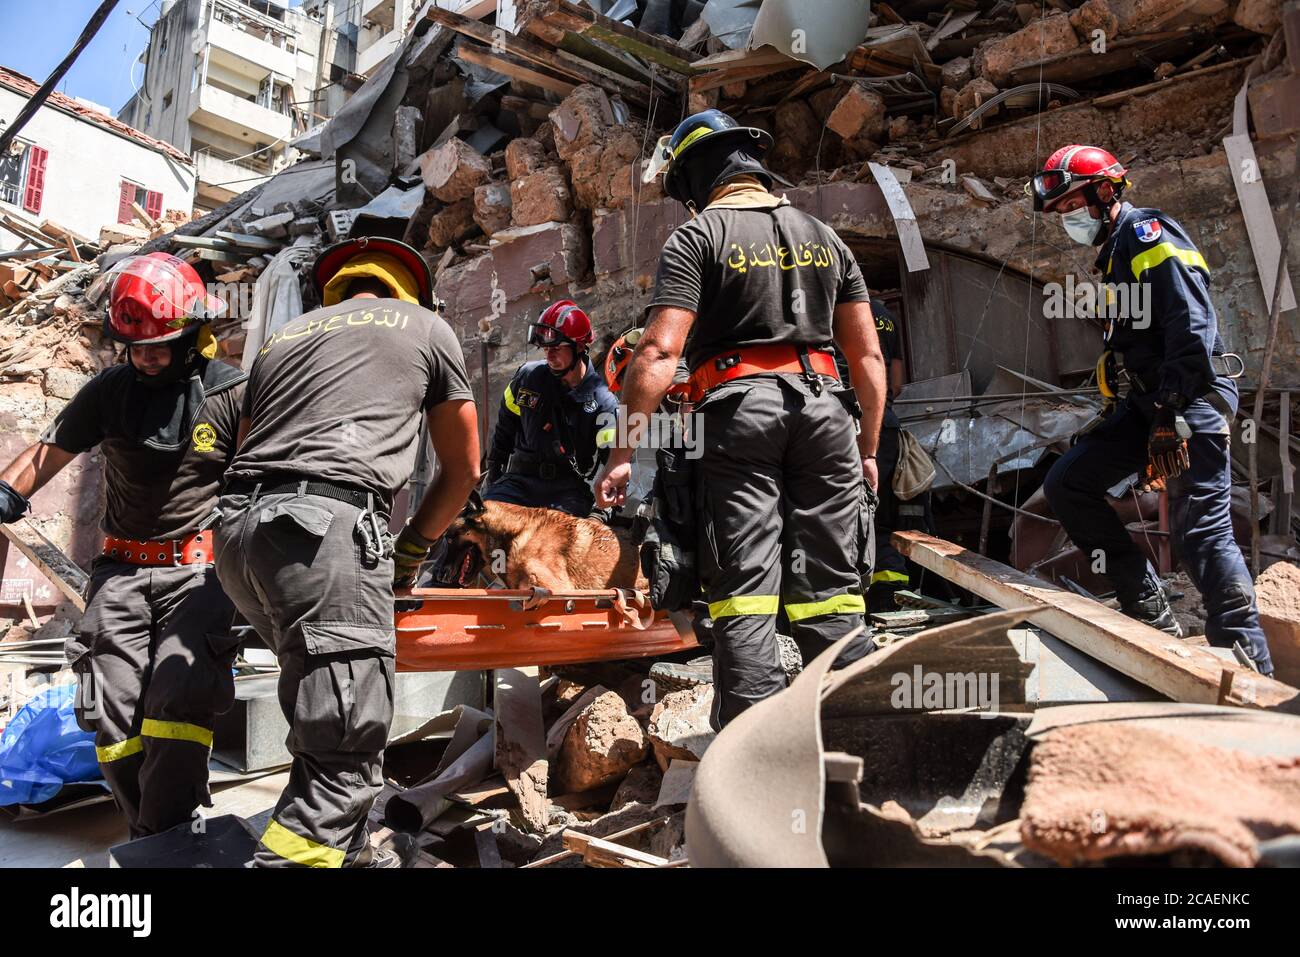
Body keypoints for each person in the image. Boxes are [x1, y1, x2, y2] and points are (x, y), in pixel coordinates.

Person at [595, 109, 888, 729]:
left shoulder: (699, 238)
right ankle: (868, 739)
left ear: (698, 177)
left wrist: (622, 452)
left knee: (745, 594)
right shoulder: (825, 237)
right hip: (828, 414)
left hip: (740, 416)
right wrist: (866, 448)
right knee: (833, 594)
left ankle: (752, 762)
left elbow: (658, 351)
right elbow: (866, 355)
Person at [214, 236, 481, 866]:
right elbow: (465, 468)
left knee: (323, 712)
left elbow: (249, 441)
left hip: (238, 538)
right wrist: (411, 549)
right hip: (322, 533)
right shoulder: (427, 326)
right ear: (409, 290)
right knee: (345, 753)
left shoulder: (285, 337)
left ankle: (355, 854)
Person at [0, 253, 245, 838]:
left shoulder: (235, 394)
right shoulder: (109, 392)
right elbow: (45, 453)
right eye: (135, 347)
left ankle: (166, 835)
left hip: (201, 575)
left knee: (177, 700)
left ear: (192, 336)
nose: (147, 356)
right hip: (122, 574)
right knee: (111, 711)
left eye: (161, 344)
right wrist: (5, 493)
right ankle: (151, 832)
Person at [1033, 144, 1273, 675]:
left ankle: (1248, 665)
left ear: (1105, 191)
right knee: (1069, 482)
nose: (1066, 219)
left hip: (1189, 401)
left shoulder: (1149, 235)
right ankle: (1148, 605)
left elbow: (1190, 329)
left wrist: (1168, 414)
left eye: (1070, 205)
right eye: (1058, 213)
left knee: (1200, 531)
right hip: (1148, 406)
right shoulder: (1115, 253)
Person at [483, 300, 619, 518]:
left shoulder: (603, 403)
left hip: (568, 492)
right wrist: (493, 476)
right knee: (479, 525)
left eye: (556, 348)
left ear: (580, 346)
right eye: (545, 349)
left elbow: (615, 464)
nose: (548, 356)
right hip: (518, 484)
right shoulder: (527, 378)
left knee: (561, 545)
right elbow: (504, 430)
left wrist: (601, 514)